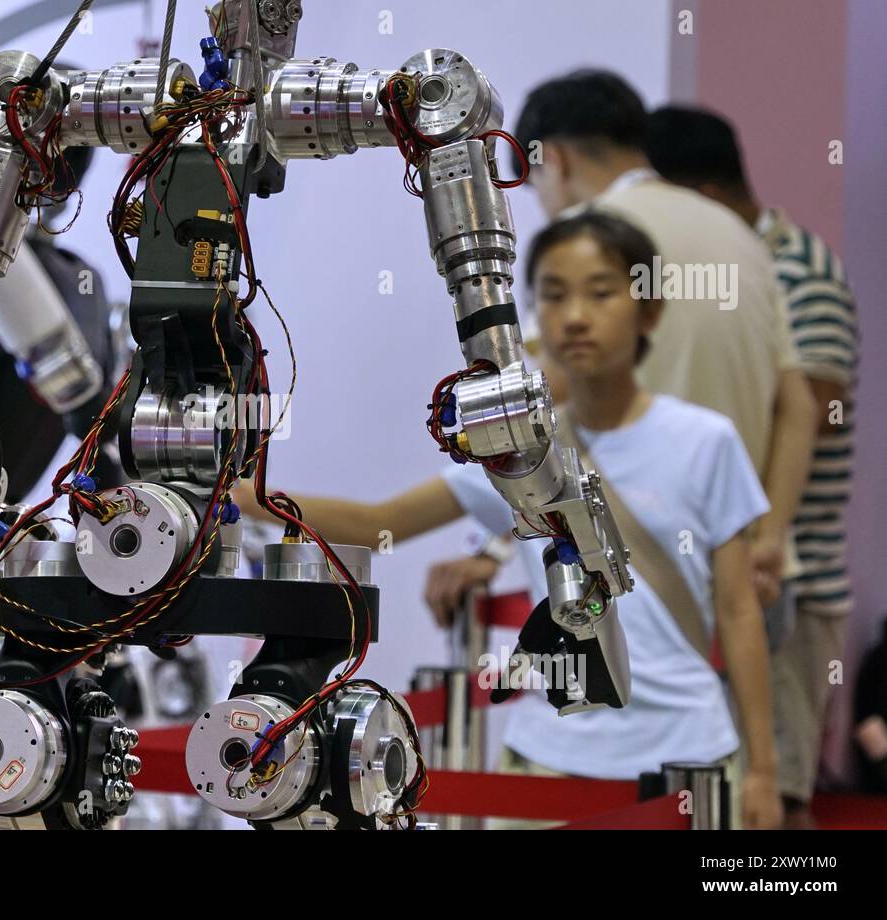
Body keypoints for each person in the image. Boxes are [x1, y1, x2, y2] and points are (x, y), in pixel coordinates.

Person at [238, 212, 782, 828]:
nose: (575, 315)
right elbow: (380, 520)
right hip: (548, 757)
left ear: (649, 310)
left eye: (601, 292)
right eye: (553, 294)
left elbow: (739, 611)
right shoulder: (516, 451)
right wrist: (245, 493)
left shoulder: (706, 442)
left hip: (691, 755)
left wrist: (764, 770)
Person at [486, 71, 815, 620]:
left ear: (557, 162)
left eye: (534, 184)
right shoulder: (739, 233)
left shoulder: (587, 241)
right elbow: (798, 406)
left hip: (639, 578)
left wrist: (491, 546)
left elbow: (540, 410)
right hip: (753, 574)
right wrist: (770, 537)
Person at [646, 104, 861, 827]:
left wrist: (764, 542)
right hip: (712, 577)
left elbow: (812, 404)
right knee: (707, 799)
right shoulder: (719, 267)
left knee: (776, 800)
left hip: (787, 583)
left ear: (701, 198)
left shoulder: (796, 264)